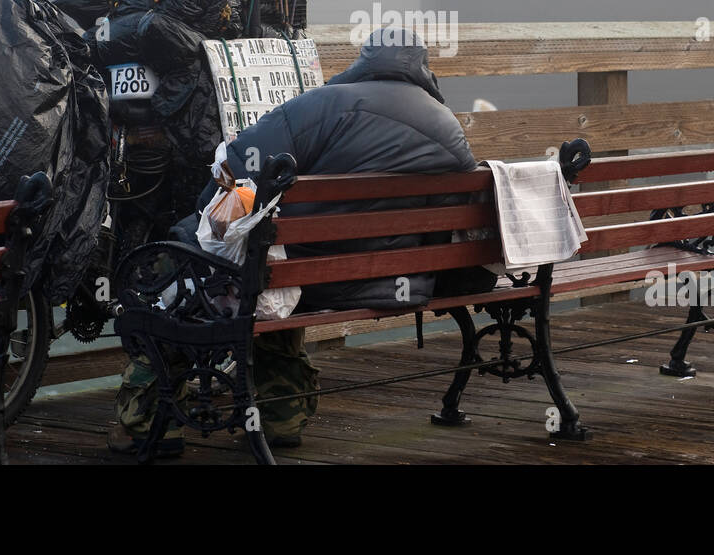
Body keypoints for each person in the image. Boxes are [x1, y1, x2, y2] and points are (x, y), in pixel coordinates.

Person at [108, 26, 487, 454]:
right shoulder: (448, 125)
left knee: (189, 268)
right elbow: (454, 212)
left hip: (304, 279)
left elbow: (235, 166)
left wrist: (194, 224)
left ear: (365, 59)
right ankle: (281, 414)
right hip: (395, 284)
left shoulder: (326, 104)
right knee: (278, 269)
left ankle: (145, 423)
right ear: (422, 68)